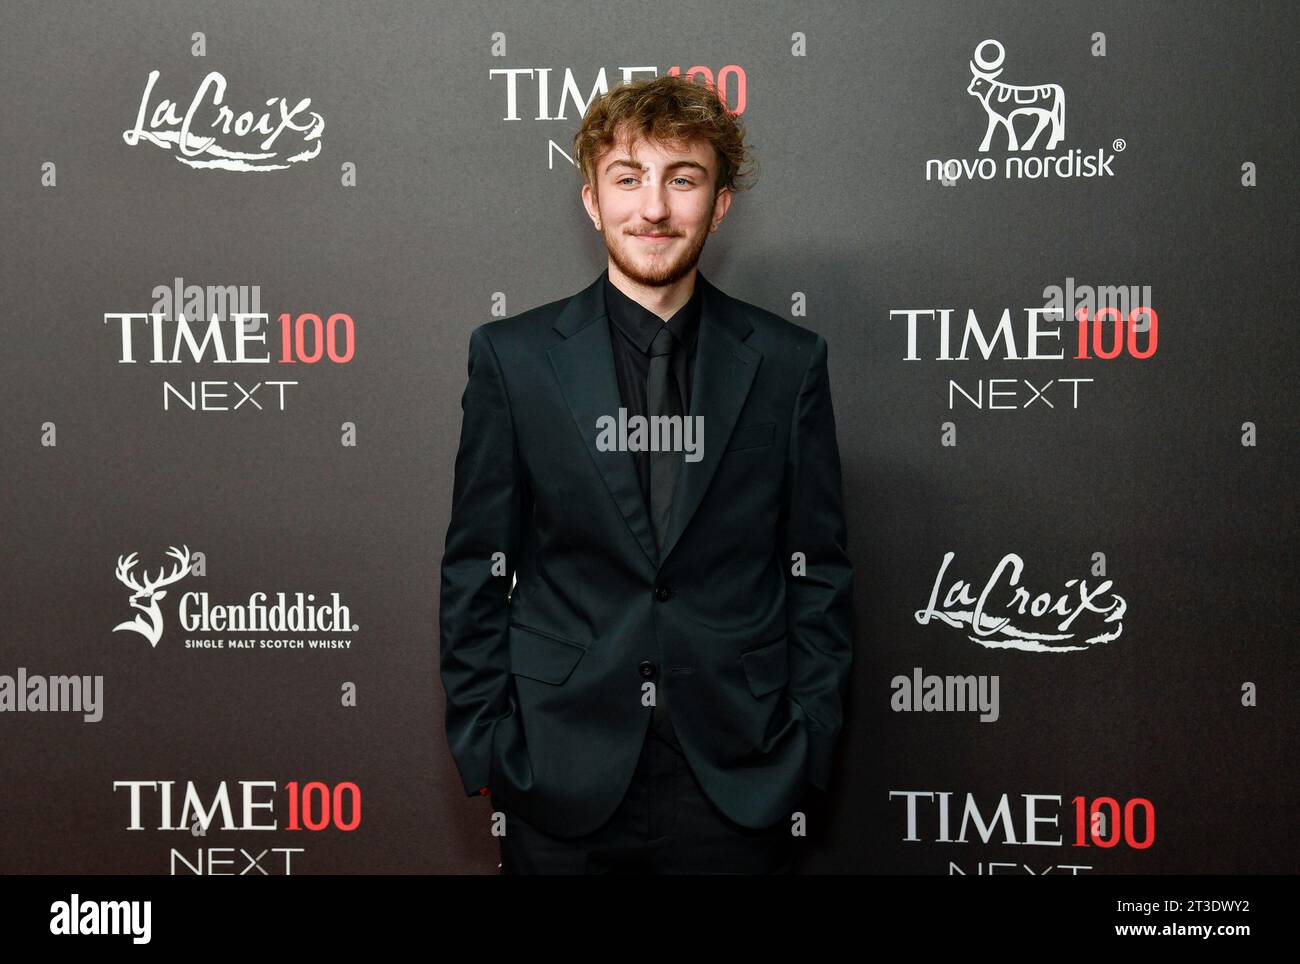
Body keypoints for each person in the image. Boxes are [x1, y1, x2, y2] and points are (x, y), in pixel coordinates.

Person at [440, 74, 854, 873]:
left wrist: (808, 740)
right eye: (627, 179)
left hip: (740, 773)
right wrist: (493, 745)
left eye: (682, 179)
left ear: (720, 202)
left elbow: (820, 573)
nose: (654, 208)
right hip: (559, 770)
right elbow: (474, 570)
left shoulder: (788, 363)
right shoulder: (512, 358)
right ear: (592, 200)